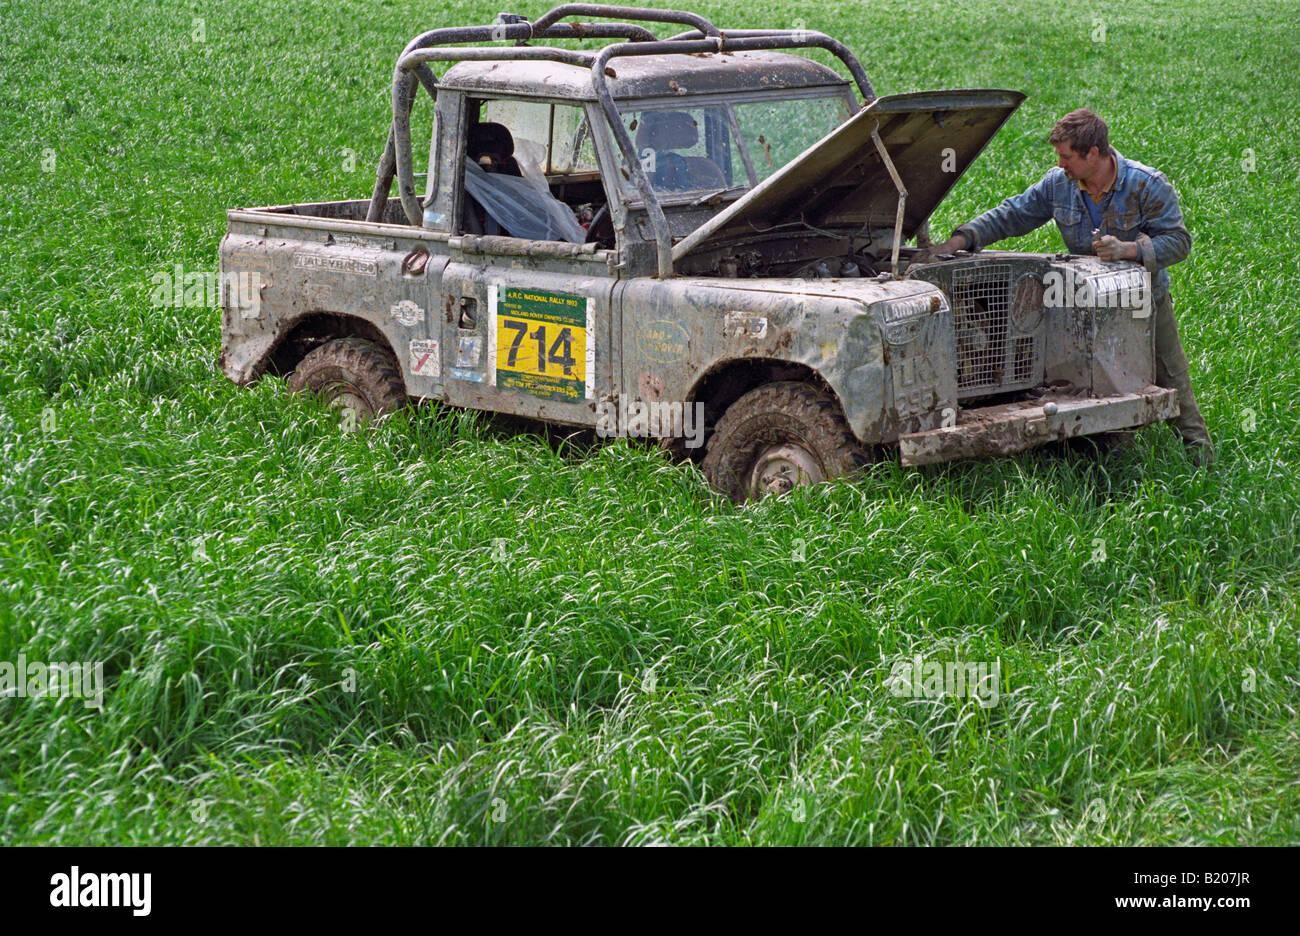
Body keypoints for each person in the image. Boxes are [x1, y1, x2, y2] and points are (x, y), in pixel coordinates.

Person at [923, 108, 1213, 465]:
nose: (1060, 163)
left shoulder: (1145, 185)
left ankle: (1200, 461)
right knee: (1087, 387)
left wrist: (1130, 250)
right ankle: (1100, 456)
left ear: (1094, 154)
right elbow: (1014, 214)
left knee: (1172, 378)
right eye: (1058, 156)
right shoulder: (1058, 184)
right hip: (1078, 307)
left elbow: (1179, 242)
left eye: (1066, 156)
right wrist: (961, 240)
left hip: (1140, 304)